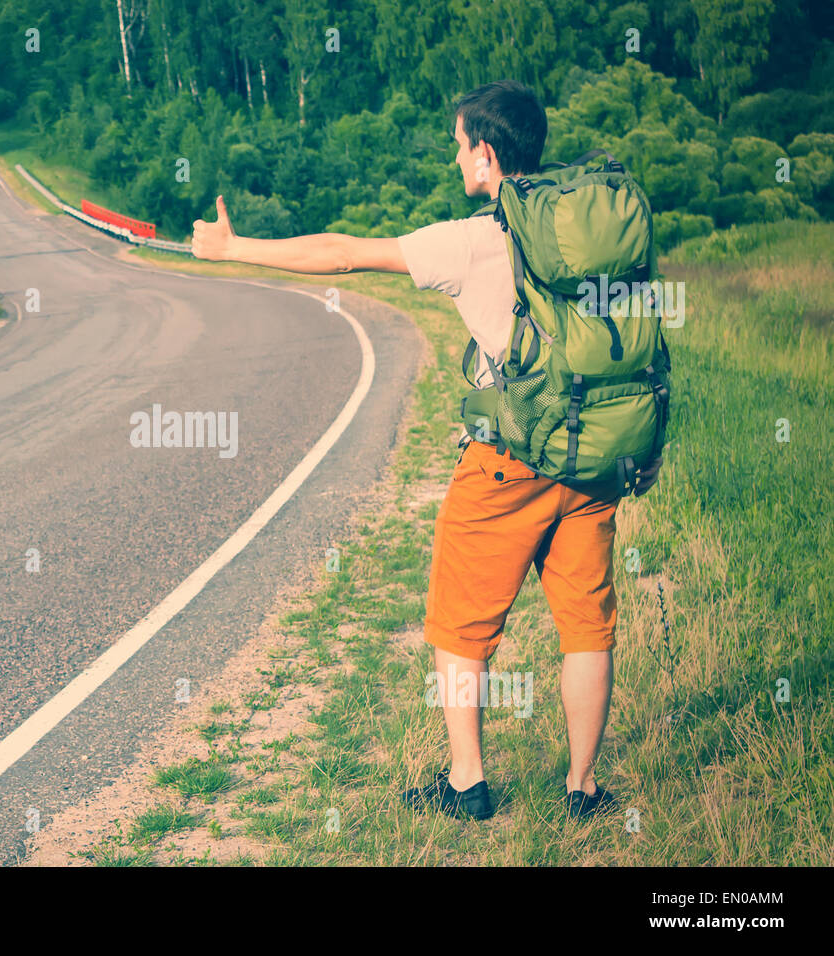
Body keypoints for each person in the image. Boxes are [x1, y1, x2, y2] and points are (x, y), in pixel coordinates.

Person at [190, 79, 660, 821]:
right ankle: (583, 789)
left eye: (460, 145)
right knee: (587, 624)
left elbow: (344, 254)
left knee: (460, 622)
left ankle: (469, 784)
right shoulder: (585, 233)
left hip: (510, 461)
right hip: (594, 454)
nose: (455, 159)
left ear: (487, 155)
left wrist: (233, 247)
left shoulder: (475, 240)